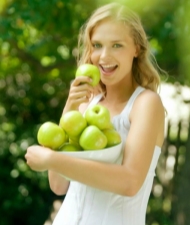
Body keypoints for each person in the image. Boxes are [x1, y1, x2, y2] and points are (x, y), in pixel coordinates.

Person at [25, 2, 165, 225]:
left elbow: (129, 182)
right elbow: (59, 185)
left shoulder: (146, 104)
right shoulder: (87, 104)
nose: (103, 56)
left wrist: (52, 158)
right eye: (97, 45)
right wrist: (70, 106)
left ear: (136, 48)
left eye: (117, 45)